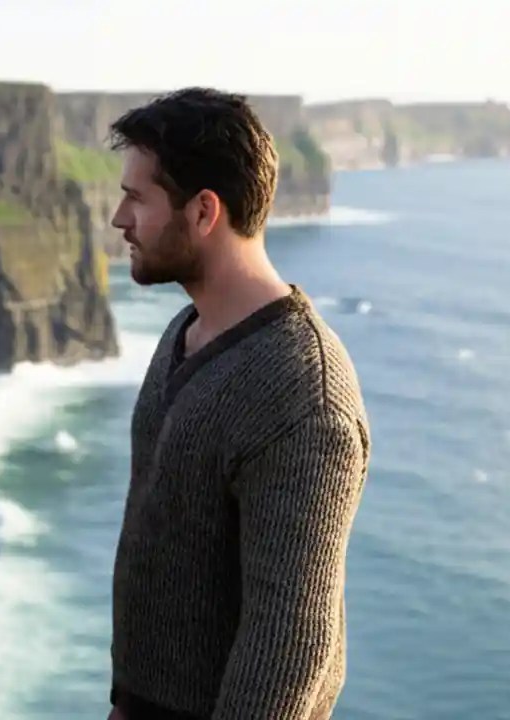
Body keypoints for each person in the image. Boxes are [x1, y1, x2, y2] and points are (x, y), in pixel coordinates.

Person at [105, 88, 372, 720]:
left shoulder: (304, 394)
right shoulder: (184, 331)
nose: (119, 218)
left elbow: (290, 646)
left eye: (136, 198)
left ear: (203, 212)